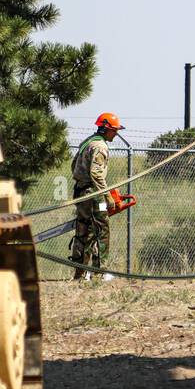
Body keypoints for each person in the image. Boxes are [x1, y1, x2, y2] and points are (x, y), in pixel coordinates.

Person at [69, 113, 123, 280]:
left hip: (81, 191)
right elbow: (96, 174)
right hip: (94, 194)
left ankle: (80, 272)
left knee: (83, 229)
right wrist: (107, 197)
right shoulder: (100, 146)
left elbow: (74, 165)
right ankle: (100, 272)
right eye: (114, 130)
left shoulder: (88, 141)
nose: (116, 134)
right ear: (106, 129)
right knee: (101, 229)